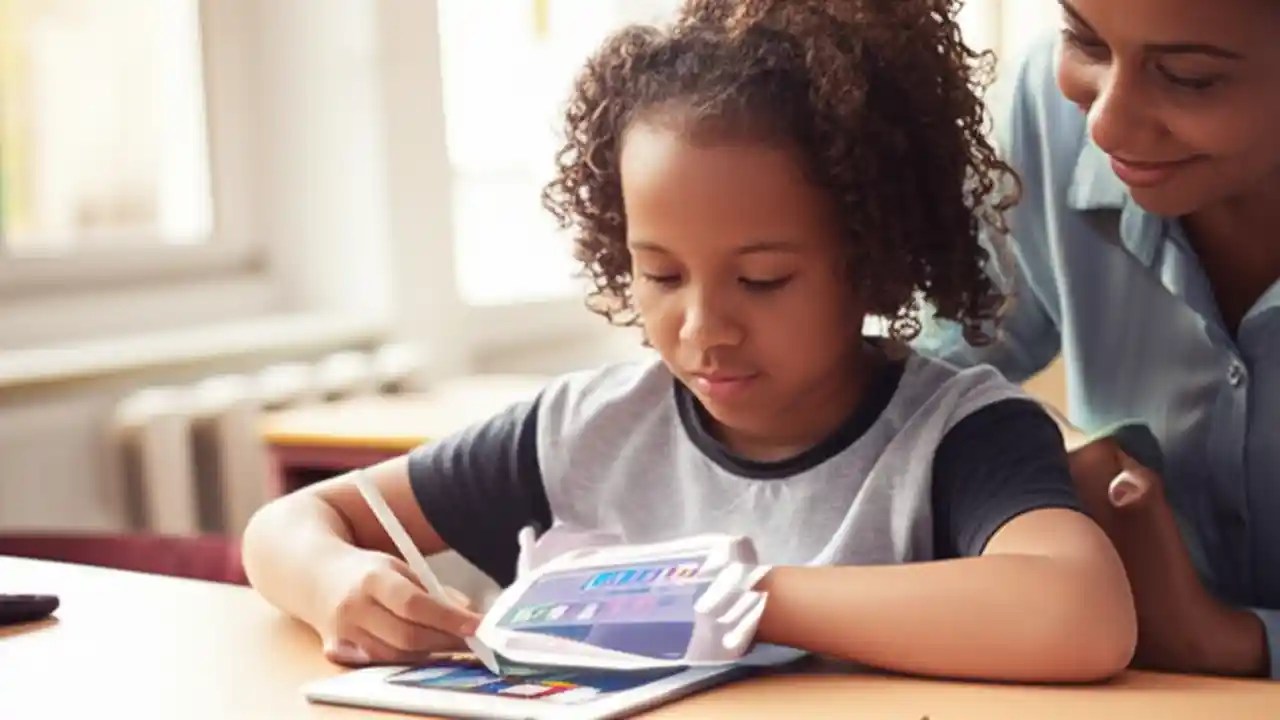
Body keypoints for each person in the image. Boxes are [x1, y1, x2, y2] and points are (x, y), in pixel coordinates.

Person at [242, 0, 1136, 682]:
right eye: (661, 275)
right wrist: (332, 583)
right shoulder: (582, 431)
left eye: (763, 280)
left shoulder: (957, 433)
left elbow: (1080, 615)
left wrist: (724, 595)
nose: (704, 327)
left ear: (873, 260)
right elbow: (288, 523)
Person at [917, 0, 1280, 678]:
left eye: (1190, 77)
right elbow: (928, 377)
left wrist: (1233, 642)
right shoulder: (1047, 117)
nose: (1106, 123)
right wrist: (1021, 474)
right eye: (1084, 40)